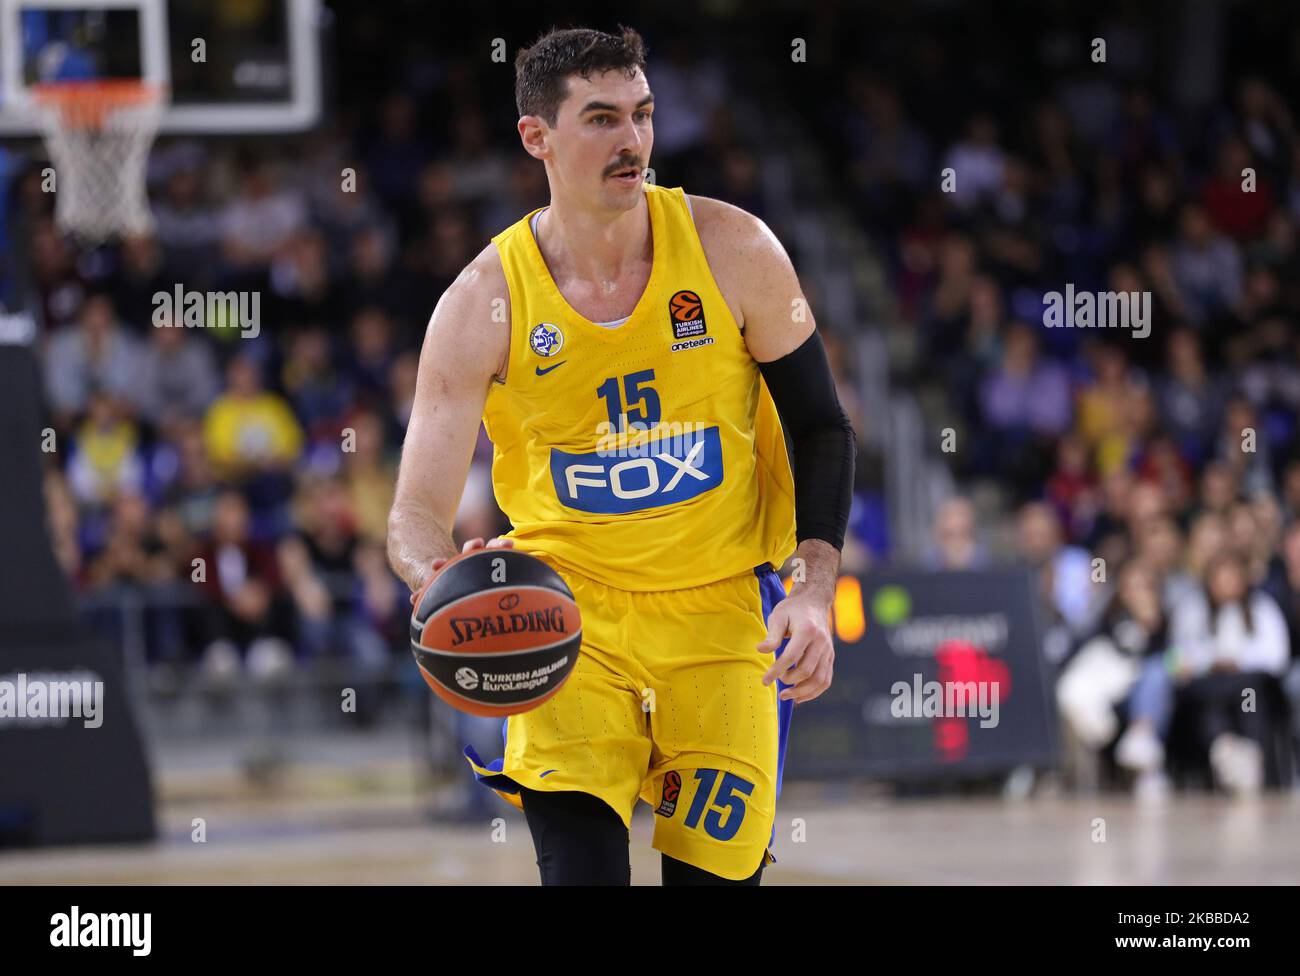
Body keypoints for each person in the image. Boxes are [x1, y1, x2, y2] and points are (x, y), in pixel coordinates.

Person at [387, 26, 855, 886]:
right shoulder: (481, 302)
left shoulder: (735, 250)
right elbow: (414, 517)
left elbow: (822, 428)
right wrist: (437, 577)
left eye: (641, 114)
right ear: (538, 138)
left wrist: (816, 588)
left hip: (721, 621)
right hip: (568, 625)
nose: (632, 140)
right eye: (600, 119)